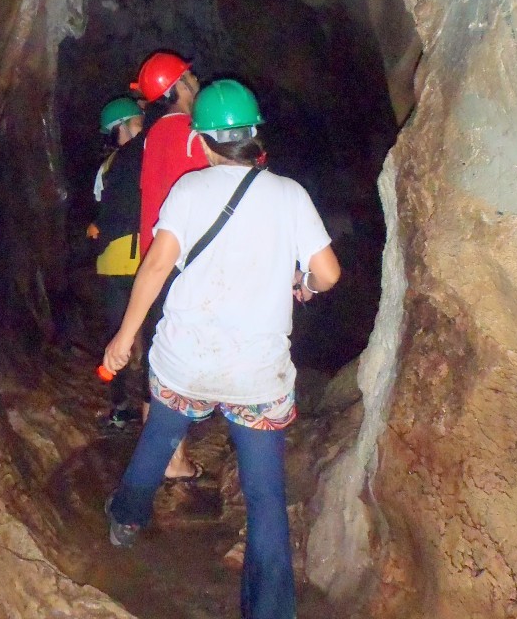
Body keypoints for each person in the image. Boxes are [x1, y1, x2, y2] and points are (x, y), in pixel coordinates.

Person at [102, 79, 341, 619]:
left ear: (204, 141)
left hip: (186, 361)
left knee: (161, 434)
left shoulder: (188, 190)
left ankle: (126, 518)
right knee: (264, 496)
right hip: (256, 375)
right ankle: (272, 610)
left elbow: (157, 266)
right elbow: (328, 273)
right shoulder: (290, 195)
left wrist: (123, 338)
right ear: (255, 135)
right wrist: (303, 282)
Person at [131, 51, 208, 480]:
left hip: (155, 261)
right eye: (191, 78)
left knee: (157, 359)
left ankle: (161, 456)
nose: (196, 83)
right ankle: (173, 461)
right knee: (178, 363)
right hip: (181, 265)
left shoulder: (154, 135)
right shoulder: (188, 135)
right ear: (177, 88)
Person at [90, 96, 145, 431]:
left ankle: (122, 406)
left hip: (116, 263)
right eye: (137, 122)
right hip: (138, 263)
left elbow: (101, 212)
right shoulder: (140, 159)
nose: (142, 126)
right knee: (142, 335)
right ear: (122, 127)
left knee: (120, 335)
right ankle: (128, 405)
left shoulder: (107, 167)